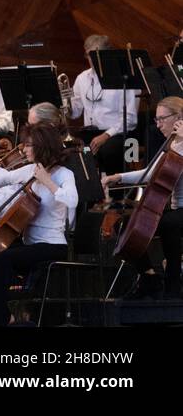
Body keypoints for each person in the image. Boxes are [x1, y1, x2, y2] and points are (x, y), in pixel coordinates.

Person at [0, 123, 78, 327]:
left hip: (53, 246)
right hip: (30, 245)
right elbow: (4, 179)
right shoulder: (30, 170)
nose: (24, 149)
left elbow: (72, 200)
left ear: (42, 146)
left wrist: (47, 181)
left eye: (29, 145)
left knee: (5, 259)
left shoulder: (64, 174)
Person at [102, 97, 183, 298]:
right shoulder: (171, 145)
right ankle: (149, 277)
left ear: (179, 118)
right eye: (156, 119)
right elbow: (149, 173)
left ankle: (174, 281)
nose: (158, 124)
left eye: (162, 119)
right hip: (174, 209)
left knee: (170, 223)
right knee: (124, 224)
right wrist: (117, 177)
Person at [72, 34, 140, 175]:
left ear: (107, 54)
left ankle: (118, 193)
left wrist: (106, 135)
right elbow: (75, 113)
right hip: (90, 134)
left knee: (108, 151)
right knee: (72, 153)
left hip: (118, 134)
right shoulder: (81, 78)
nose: (92, 60)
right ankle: (91, 194)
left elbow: (131, 120)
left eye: (96, 55)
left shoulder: (124, 78)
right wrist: (66, 106)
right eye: (89, 55)